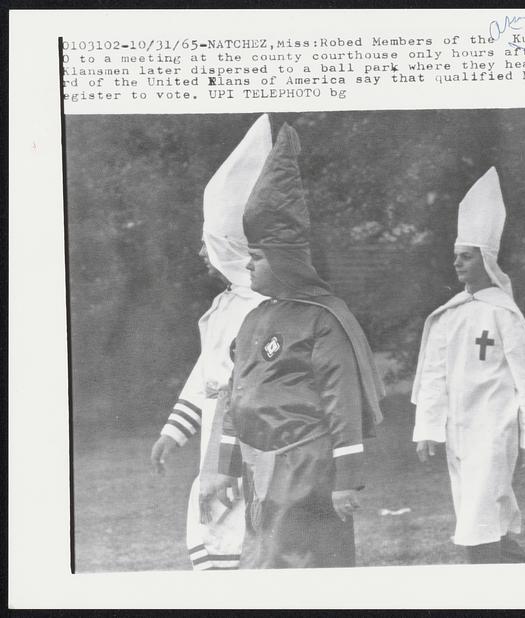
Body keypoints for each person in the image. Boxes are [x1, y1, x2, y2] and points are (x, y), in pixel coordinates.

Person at [199, 122, 384, 569]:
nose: (248, 265)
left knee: (303, 562)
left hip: (307, 466)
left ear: (283, 260)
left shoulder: (323, 318)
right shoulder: (254, 317)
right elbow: (234, 395)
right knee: (263, 559)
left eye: (257, 257)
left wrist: (346, 480)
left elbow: (342, 403)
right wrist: (225, 465)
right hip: (258, 468)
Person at [411, 167, 525, 564]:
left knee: (479, 523)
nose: (457, 263)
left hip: (494, 430)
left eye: (467, 256)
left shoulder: (503, 315)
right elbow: (434, 377)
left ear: (486, 260)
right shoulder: (449, 314)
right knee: (480, 519)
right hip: (459, 432)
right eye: (455, 256)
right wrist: (427, 428)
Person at [149, 114, 272, 570]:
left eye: (209, 244)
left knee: (235, 541)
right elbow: (204, 374)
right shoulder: (224, 305)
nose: (203, 254)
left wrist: (223, 462)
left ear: (227, 246)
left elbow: (244, 391)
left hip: (243, 443)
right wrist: (173, 432)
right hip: (215, 444)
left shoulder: (259, 307)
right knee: (213, 538)